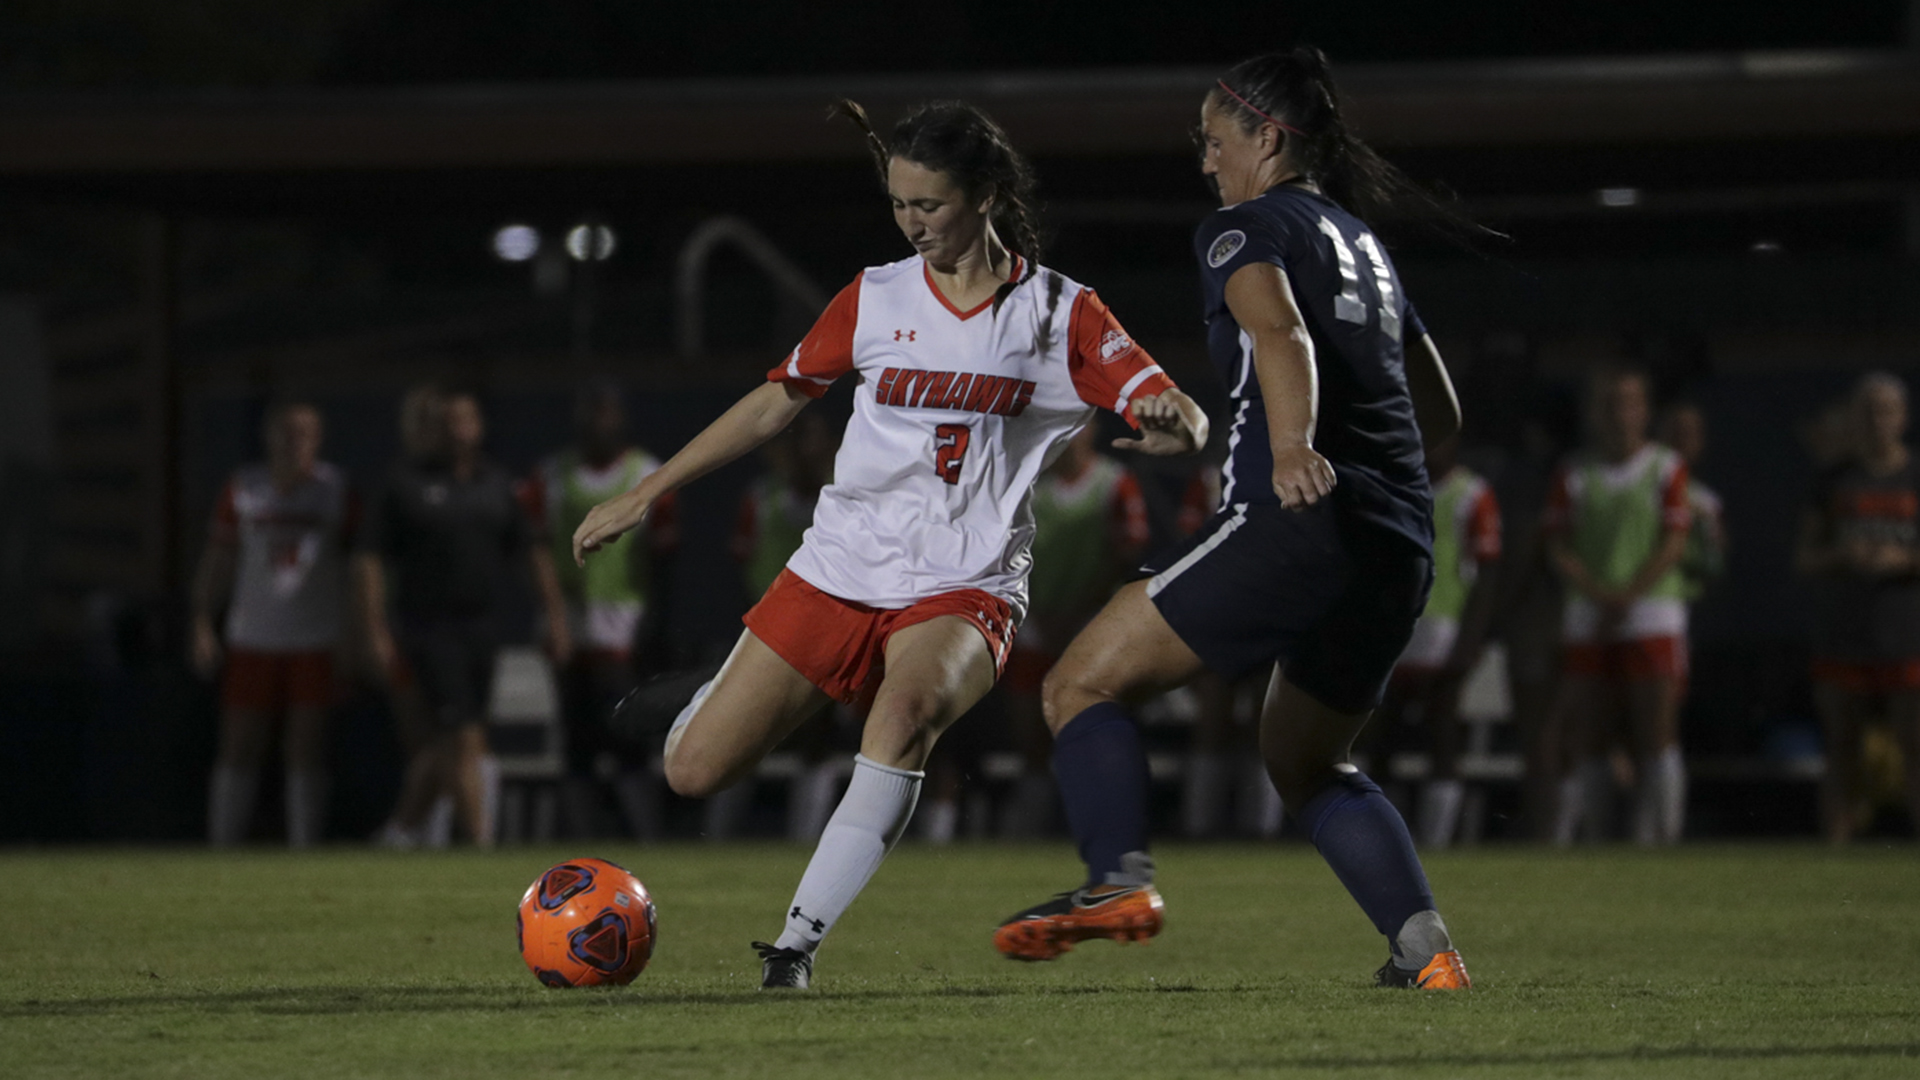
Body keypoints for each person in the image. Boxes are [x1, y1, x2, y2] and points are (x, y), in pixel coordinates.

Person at [572, 99, 1206, 989]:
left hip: (966, 582)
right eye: (900, 205)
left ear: (986, 196)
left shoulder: (1061, 314)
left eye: (930, 205)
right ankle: (711, 694)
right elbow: (775, 401)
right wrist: (648, 490)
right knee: (692, 772)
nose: (913, 224)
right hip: (840, 565)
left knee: (902, 718)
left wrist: (1174, 422)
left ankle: (795, 946)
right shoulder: (874, 296)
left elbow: (1176, 407)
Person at [992, 48, 1471, 991]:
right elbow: (1441, 414)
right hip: (1398, 541)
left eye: (1216, 141)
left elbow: (1278, 329)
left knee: (1078, 685)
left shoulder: (1244, 227)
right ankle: (1428, 954)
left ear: (1270, 139)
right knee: (1308, 761)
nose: (1206, 161)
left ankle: (1116, 882)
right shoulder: (1365, 247)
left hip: (1301, 516)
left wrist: (1293, 448)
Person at [358, 385, 572, 848]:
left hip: (483, 628)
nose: (458, 431)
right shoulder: (404, 485)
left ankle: (399, 831)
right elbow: (370, 559)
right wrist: (373, 629)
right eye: (448, 421)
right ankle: (480, 842)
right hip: (426, 628)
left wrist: (554, 615)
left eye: (466, 420)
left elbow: (530, 552)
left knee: (447, 743)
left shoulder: (496, 484)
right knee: (462, 735)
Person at [190, 401, 356, 847]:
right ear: (268, 435)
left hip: (314, 634)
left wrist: (354, 631)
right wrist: (201, 619)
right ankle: (222, 845)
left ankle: (304, 847)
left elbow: (355, 566)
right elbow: (219, 558)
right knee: (240, 742)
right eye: (285, 431)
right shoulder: (245, 487)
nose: (293, 442)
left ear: (318, 439)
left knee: (306, 746)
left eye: (304, 433)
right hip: (253, 633)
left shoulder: (334, 489)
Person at [522, 381, 678, 840]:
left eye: (606, 411)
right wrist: (553, 618)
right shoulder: (552, 475)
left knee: (629, 739)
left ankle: (647, 839)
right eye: (591, 411)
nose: (598, 422)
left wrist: (653, 625)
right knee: (577, 741)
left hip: (625, 628)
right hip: (571, 624)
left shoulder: (646, 474)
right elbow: (535, 549)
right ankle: (582, 841)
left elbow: (664, 558)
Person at [1543, 366, 1692, 846]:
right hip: (1590, 614)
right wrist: (1598, 593)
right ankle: (1599, 838)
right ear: (1594, 413)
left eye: (1629, 403)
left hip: (1651, 613)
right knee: (1590, 732)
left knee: (1656, 731)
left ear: (1645, 411)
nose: (1619, 414)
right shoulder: (1574, 472)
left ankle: (1661, 837)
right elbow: (1558, 545)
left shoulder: (1666, 468)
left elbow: (1673, 541)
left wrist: (1628, 594)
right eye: (1609, 404)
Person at [996, 423, 1150, 838]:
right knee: (1031, 734)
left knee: (1089, 729)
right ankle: (1032, 829)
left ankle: (1098, 825)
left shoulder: (1113, 482)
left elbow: (1128, 552)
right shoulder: (1033, 486)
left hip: (1091, 623)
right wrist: (1038, 609)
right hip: (1037, 622)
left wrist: (1080, 606)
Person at [1797, 373, 1920, 843]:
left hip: (1906, 631)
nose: (1877, 421)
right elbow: (1805, 556)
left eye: (1886, 410)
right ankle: (1837, 850)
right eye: (1867, 411)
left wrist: (1901, 559)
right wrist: (1844, 555)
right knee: (1842, 748)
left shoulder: (1914, 476)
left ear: (1903, 418)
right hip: (1844, 632)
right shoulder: (1833, 480)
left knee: (1914, 745)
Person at [1374, 439, 1502, 848]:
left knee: (1442, 732)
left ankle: (1436, 839)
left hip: (1443, 632)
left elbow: (1486, 576)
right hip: (1395, 631)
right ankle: (1384, 838)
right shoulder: (1392, 489)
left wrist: (1470, 641)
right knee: (1382, 736)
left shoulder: (1471, 494)